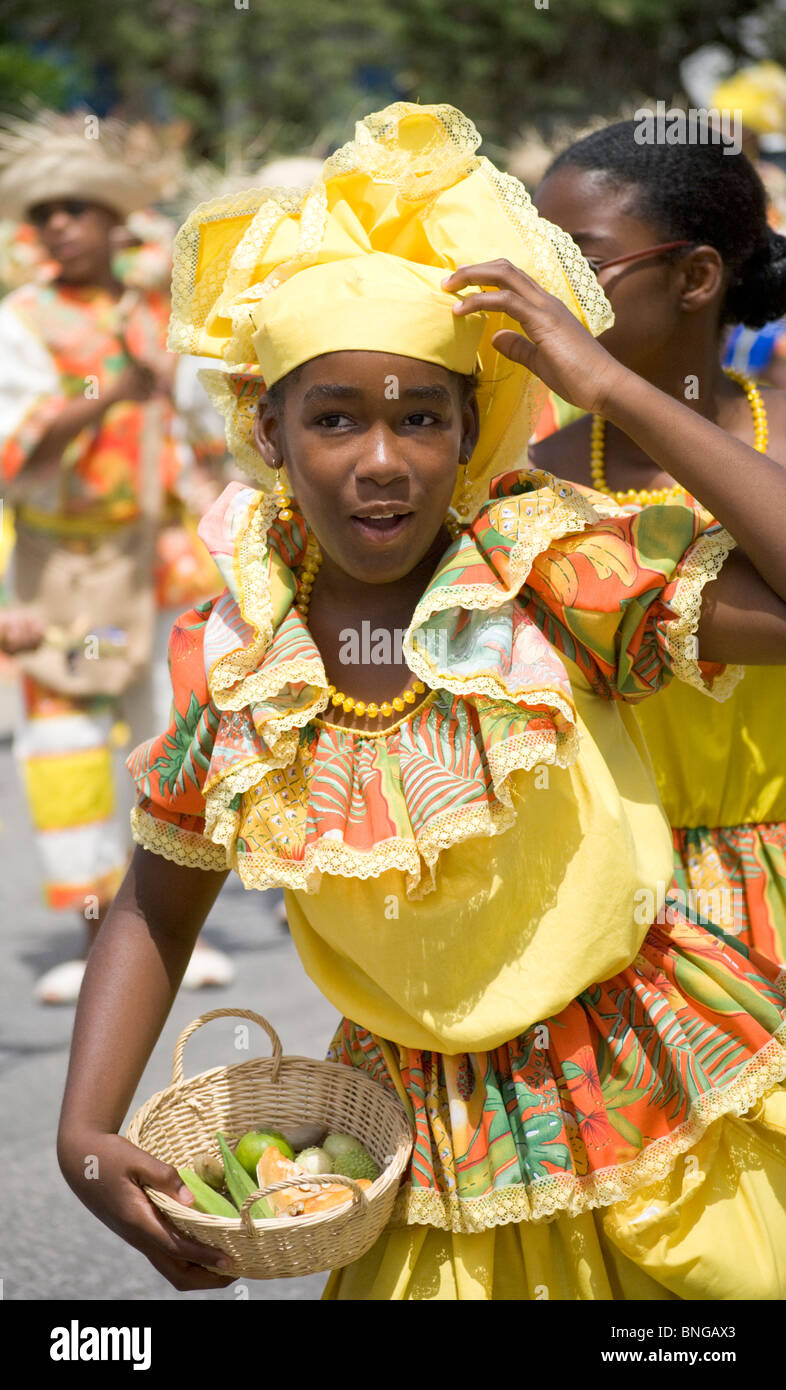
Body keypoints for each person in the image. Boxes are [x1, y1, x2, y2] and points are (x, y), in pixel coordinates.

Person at [57, 102, 786, 1301]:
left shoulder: (550, 572)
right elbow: (160, 894)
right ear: (269, 431)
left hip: (652, 1089)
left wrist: (610, 386)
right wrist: (84, 1127)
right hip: (417, 1141)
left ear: (469, 432)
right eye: (334, 417)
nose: (381, 458)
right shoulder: (240, 652)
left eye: (421, 417)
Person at [532, 122, 786, 961]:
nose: (548, 290)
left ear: (697, 276)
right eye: (537, 259)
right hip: (600, 916)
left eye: (581, 260)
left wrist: (613, 388)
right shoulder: (531, 478)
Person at [0, 112, 234, 1001]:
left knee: (170, 743)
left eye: (80, 208)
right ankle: (93, 934)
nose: (61, 223)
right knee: (61, 747)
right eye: (48, 210)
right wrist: (106, 391)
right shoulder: (21, 322)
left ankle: (165, 935)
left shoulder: (161, 316)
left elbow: (212, 426)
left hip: (162, 559)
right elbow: (10, 450)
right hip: (62, 568)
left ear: (114, 225)